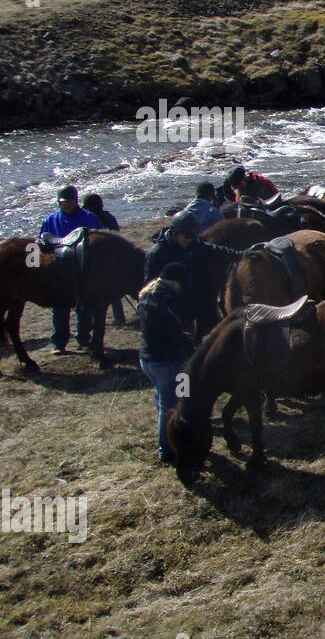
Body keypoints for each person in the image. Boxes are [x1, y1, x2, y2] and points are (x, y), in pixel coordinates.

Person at [143, 213, 245, 336]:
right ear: (175, 233)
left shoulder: (191, 244)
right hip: (173, 311)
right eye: (186, 237)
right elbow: (149, 288)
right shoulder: (156, 254)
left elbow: (214, 249)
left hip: (193, 305)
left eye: (192, 237)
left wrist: (240, 255)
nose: (189, 240)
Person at [39, 185, 103, 354]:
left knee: (84, 307)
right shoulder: (50, 221)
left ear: (76, 201)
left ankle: (83, 338)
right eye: (63, 202)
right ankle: (58, 342)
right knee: (59, 308)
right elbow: (42, 244)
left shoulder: (90, 219)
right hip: (58, 272)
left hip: (84, 270)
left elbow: (100, 241)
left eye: (70, 202)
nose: (66, 205)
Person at [138, 262, 191, 464]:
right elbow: (176, 332)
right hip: (169, 362)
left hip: (147, 361)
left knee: (161, 400)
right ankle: (168, 449)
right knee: (171, 406)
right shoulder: (169, 302)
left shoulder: (146, 297)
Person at [82, 193, 126, 327]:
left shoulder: (92, 220)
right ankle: (119, 317)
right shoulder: (109, 217)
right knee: (113, 291)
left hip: (100, 260)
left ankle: (96, 320)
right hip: (114, 257)